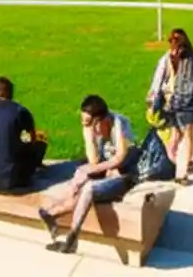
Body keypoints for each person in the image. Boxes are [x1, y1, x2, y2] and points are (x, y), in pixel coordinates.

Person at [38, 95, 139, 254]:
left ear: (99, 119)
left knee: (89, 188)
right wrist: (90, 135)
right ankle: (51, 215)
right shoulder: (91, 127)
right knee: (79, 184)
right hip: (106, 170)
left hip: (125, 175)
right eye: (83, 122)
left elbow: (120, 158)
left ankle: (70, 235)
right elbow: (94, 160)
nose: (84, 125)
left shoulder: (118, 124)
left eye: (88, 122)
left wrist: (91, 171)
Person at [147, 29, 193, 183]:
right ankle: (185, 167)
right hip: (190, 102)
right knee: (188, 137)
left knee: (176, 137)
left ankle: (180, 168)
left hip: (172, 102)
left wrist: (151, 101)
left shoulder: (165, 60)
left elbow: (157, 82)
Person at [0, 77, 48, 193]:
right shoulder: (19, 111)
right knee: (41, 140)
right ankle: (33, 170)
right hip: (9, 180)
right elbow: (32, 137)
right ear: (11, 91)